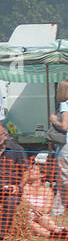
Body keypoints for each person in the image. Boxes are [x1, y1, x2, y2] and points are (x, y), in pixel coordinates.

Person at [23, 160, 68, 241]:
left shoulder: (48, 190)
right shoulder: (24, 188)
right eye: (30, 169)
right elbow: (23, 202)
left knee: (43, 218)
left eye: (33, 169)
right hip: (27, 216)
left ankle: (58, 231)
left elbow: (47, 209)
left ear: (42, 174)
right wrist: (34, 209)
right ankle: (54, 235)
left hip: (41, 215)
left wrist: (36, 210)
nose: (30, 171)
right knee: (30, 223)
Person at [51, 80, 68, 216]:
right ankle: (58, 209)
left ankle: (58, 209)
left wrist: (53, 120)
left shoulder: (64, 104)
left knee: (63, 178)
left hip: (66, 147)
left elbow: (64, 126)